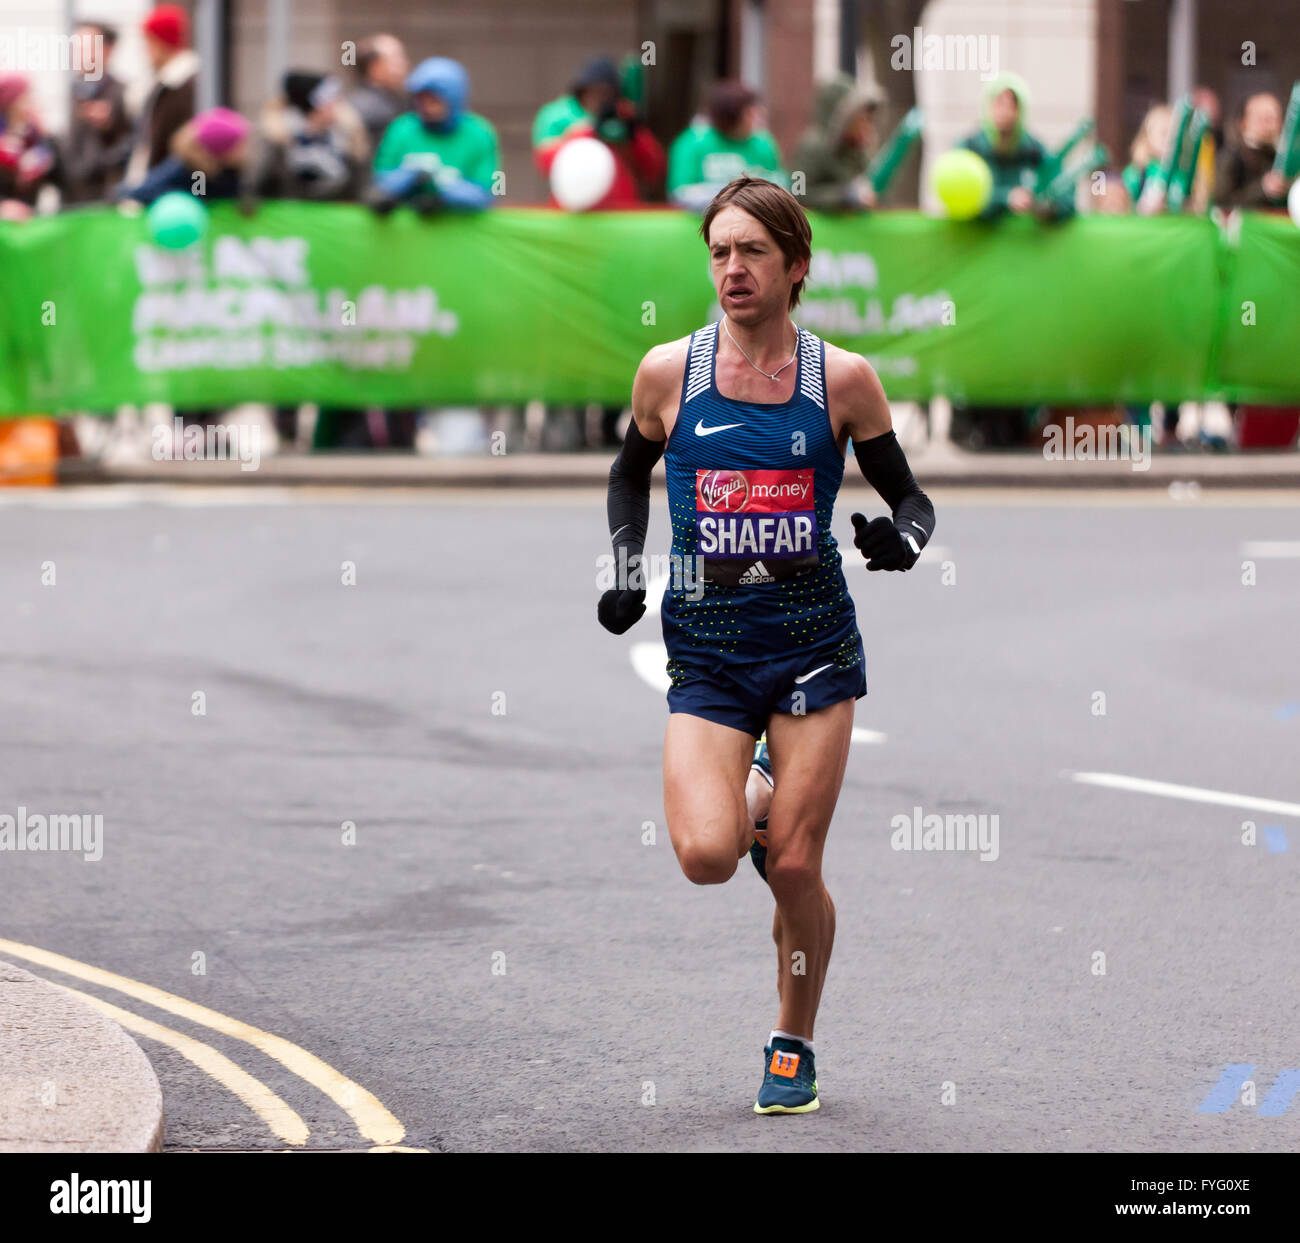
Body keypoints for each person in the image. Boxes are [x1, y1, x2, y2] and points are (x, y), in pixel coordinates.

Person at [596, 175, 934, 1114]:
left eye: (752, 251)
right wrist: (624, 566)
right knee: (708, 854)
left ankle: (793, 1041)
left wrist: (903, 540)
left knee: (792, 865)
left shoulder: (843, 379)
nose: (732, 269)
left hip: (813, 640)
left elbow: (911, 498)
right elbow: (627, 474)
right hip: (707, 642)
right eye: (719, 253)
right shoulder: (669, 371)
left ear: (796, 265)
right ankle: (752, 792)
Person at [367, 57, 499, 214]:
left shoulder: (479, 134)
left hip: (455, 224)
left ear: (454, 99)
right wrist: (411, 175)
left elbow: (486, 191)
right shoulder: (402, 129)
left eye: (434, 100)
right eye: (422, 100)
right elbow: (381, 179)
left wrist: (443, 189)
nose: (427, 107)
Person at [532, 55, 666, 207]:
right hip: (574, 208)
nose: (599, 100)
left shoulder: (623, 119)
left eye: (606, 94)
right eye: (593, 93)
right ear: (582, 93)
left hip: (620, 209)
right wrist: (590, 131)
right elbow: (545, 162)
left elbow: (654, 170)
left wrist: (633, 134)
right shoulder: (561, 117)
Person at [956, 71, 1074, 221]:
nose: (1006, 112)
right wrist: (1004, 198)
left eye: (1013, 105)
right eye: (999, 103)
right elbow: (960, 195)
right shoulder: (969, 148)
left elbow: (1064, 193)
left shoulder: (1033, 150)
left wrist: (1047, 206)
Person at [667, 81, 786, 211]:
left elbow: (780, 186)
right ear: (730, 115)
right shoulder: (693, 142)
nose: (759, 115)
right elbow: (681, 192)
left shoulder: (763, 142)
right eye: (750, 112)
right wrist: (740, 196)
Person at [123, 3, 200, 187]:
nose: (144, 50)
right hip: (158, 181)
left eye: (148, 42)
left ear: (160, 43)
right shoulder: (161, 83)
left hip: (171, 186)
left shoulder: (183, 85)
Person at [119, 106, 252, 205]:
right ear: (221, 150)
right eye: (239, 145)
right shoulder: (192, 172)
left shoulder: (228, 170)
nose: (245, 150)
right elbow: (143, 192)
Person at [790, 74, 883, 212]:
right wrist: (843, 196)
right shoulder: (811, 146)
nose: (866, 126)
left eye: (869, 120)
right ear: (844, 119)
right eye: (861, 119)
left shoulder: (855, 150)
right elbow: (797, 193)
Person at [64, 21, 132, 204]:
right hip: (73, 194)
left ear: (108, 50)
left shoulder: (124, 93)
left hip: (107, 194)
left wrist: (108, 128)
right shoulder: (75, 90)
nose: (80, 54)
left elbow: (133, 143)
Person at [0, 73, 62, 218]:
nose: (32, 103)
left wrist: (47, 136)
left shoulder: (35, 140)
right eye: (26, 98)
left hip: (28, 221)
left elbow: (64, 180)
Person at [1215, 92, 1290, 209]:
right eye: (1263, 119)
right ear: (1243, 123)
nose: (1270, 126)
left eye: (1275, 119)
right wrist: (1262, 189)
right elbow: (1222, 203)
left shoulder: (1280, 156)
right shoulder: (1230, 158)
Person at [349, 33, 409, 152]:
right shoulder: (374, 112)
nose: (405, 64)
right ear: (374, 67)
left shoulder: (391, 101)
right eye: (396, 59)